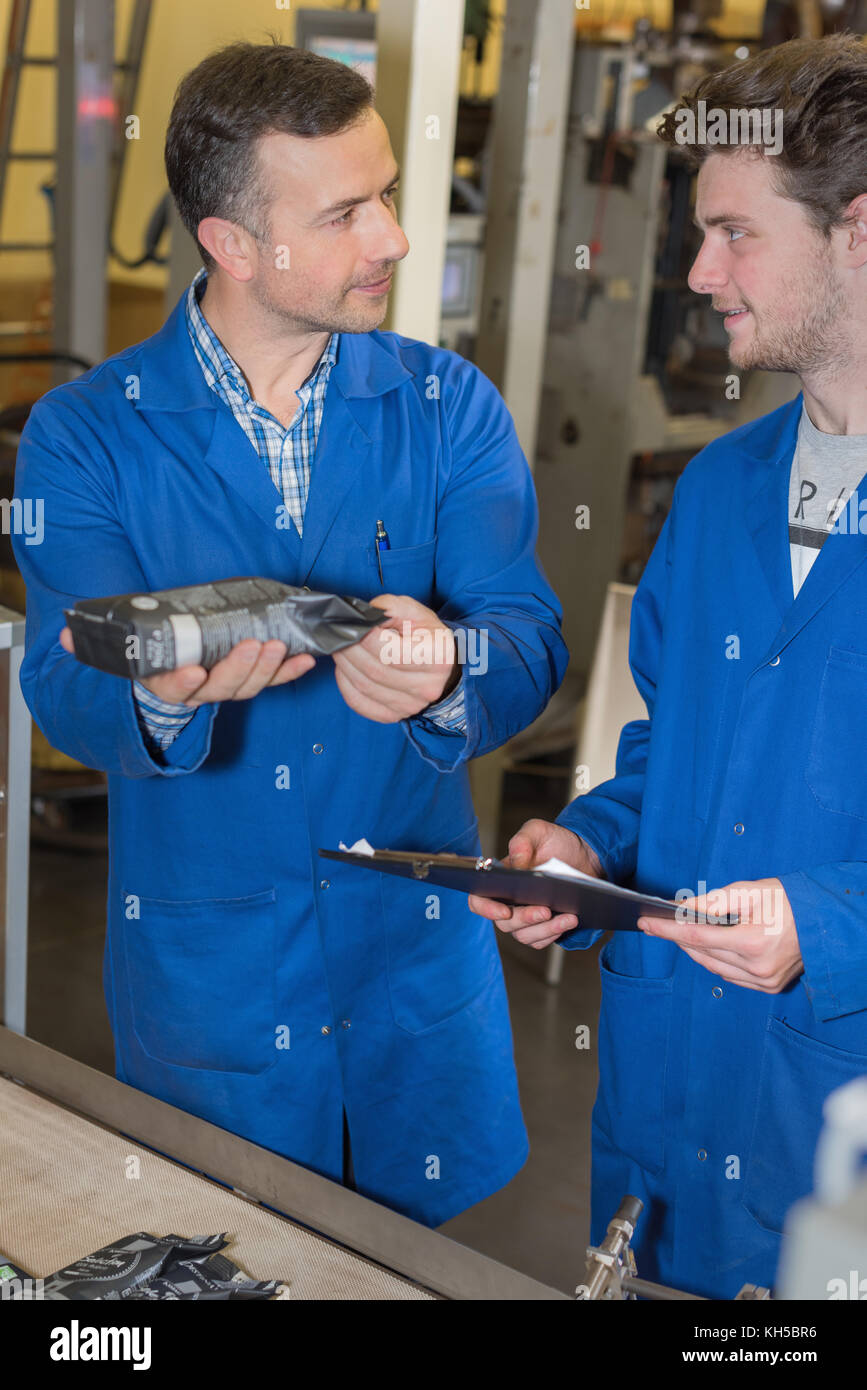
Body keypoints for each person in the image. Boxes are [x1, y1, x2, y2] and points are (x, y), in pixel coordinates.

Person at [13, 42, 568, 1228]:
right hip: (214, 973)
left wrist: (448, 672)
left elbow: (526, 634)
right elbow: (62, 680)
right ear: (230, 242)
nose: (395, 240)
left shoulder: (447, 405)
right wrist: (164, 696)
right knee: (227, 1252)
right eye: (347, 212)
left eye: (388, 196)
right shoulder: (85, 437)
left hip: (409, 954)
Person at [470, 33, 867, 1297]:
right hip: (670, 1139)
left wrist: (829, 922)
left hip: (832, 1146)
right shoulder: (720, 492)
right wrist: (590, 850)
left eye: (737, 233)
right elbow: (673, 760)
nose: (699, 273)